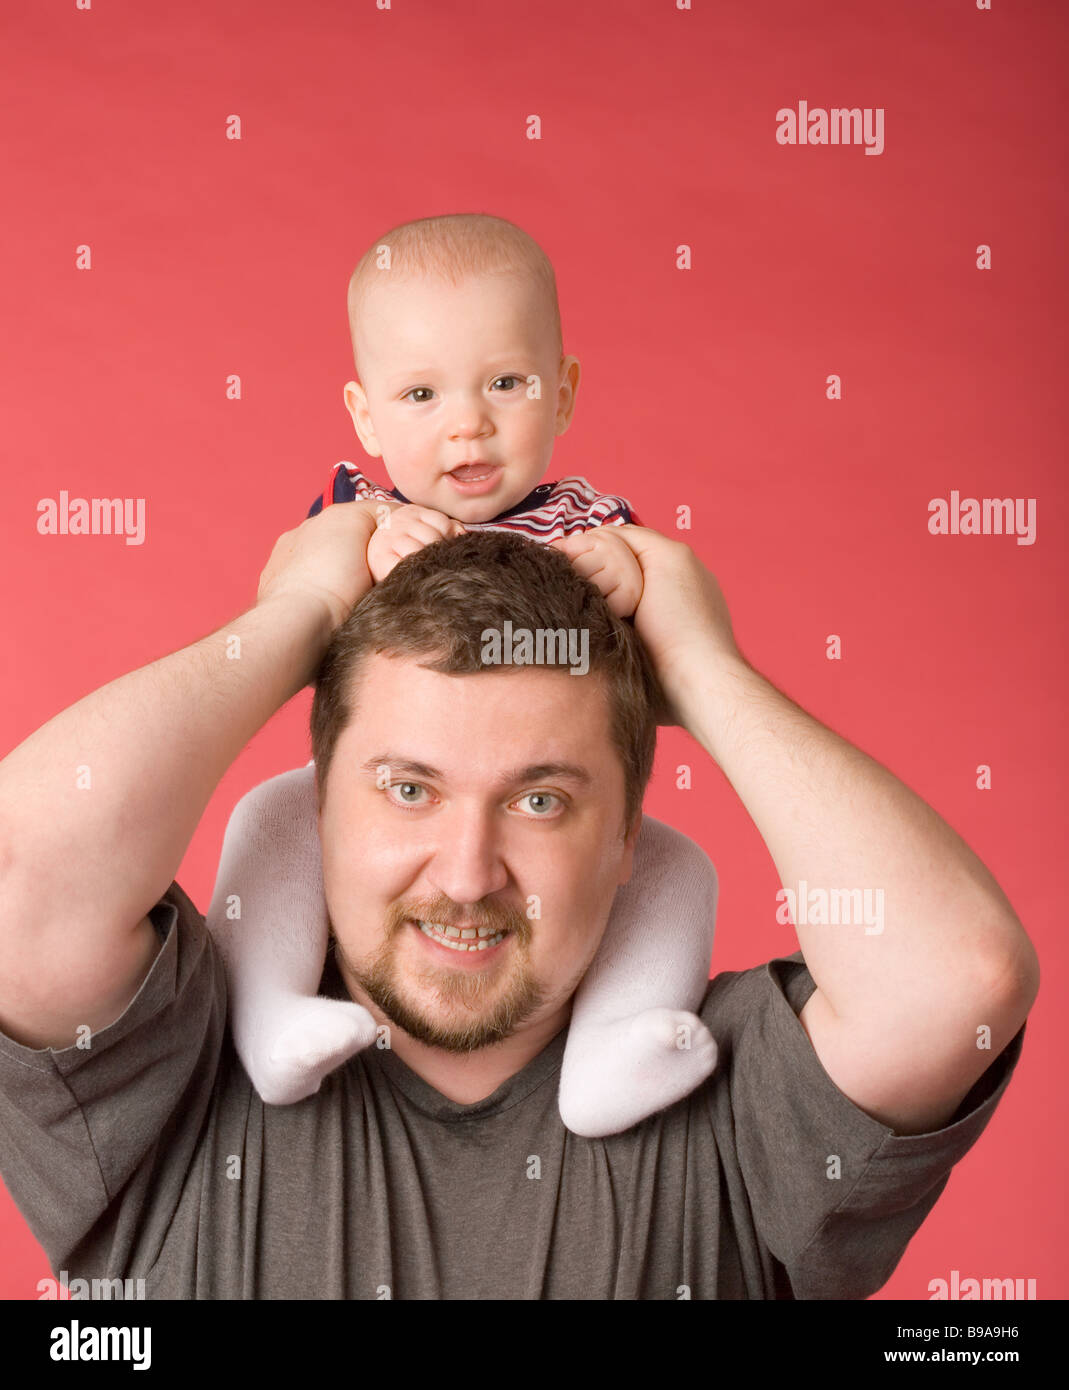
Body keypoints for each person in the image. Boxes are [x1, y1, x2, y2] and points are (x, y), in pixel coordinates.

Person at [0, 511, 1037, 1299]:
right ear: (317, 807)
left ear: (630, 833)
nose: (465, 872)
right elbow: (22, 878)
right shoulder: (166, 1081)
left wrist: (705, 670)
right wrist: (297, 617)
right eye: (408, 788)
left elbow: (957, 984)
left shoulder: (727, 1102)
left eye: (540, 801)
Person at [210, 210, 720, 1131]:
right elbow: (278, 607)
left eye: (506, 383)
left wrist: (627, 578)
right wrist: (359, 543)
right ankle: (271, 1015)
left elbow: (659, 680)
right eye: (421, 397)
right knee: (269, 816)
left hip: (541, 784)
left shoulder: (591, 524)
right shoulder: (356, 513)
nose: (468, 427)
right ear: (364, 415)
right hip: (388, 787)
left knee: (678, 868)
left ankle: (619, 1042)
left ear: (562, 394)